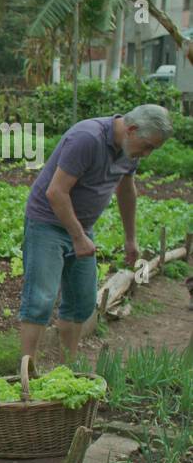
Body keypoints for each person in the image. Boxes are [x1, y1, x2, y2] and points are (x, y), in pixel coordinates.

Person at [19, 104, 171, 362]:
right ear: (131, 129)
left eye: (152, 150)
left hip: (82, 228)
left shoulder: (128, 150)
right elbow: (56, 192)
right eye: (147, 146)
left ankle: (68, 368)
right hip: (47, 223)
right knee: (41, 300)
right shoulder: (87, 138)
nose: (146, 154)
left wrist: (130, 238)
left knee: (82, 302)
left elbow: (126, 191)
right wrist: (78, 237)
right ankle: (26, 372)